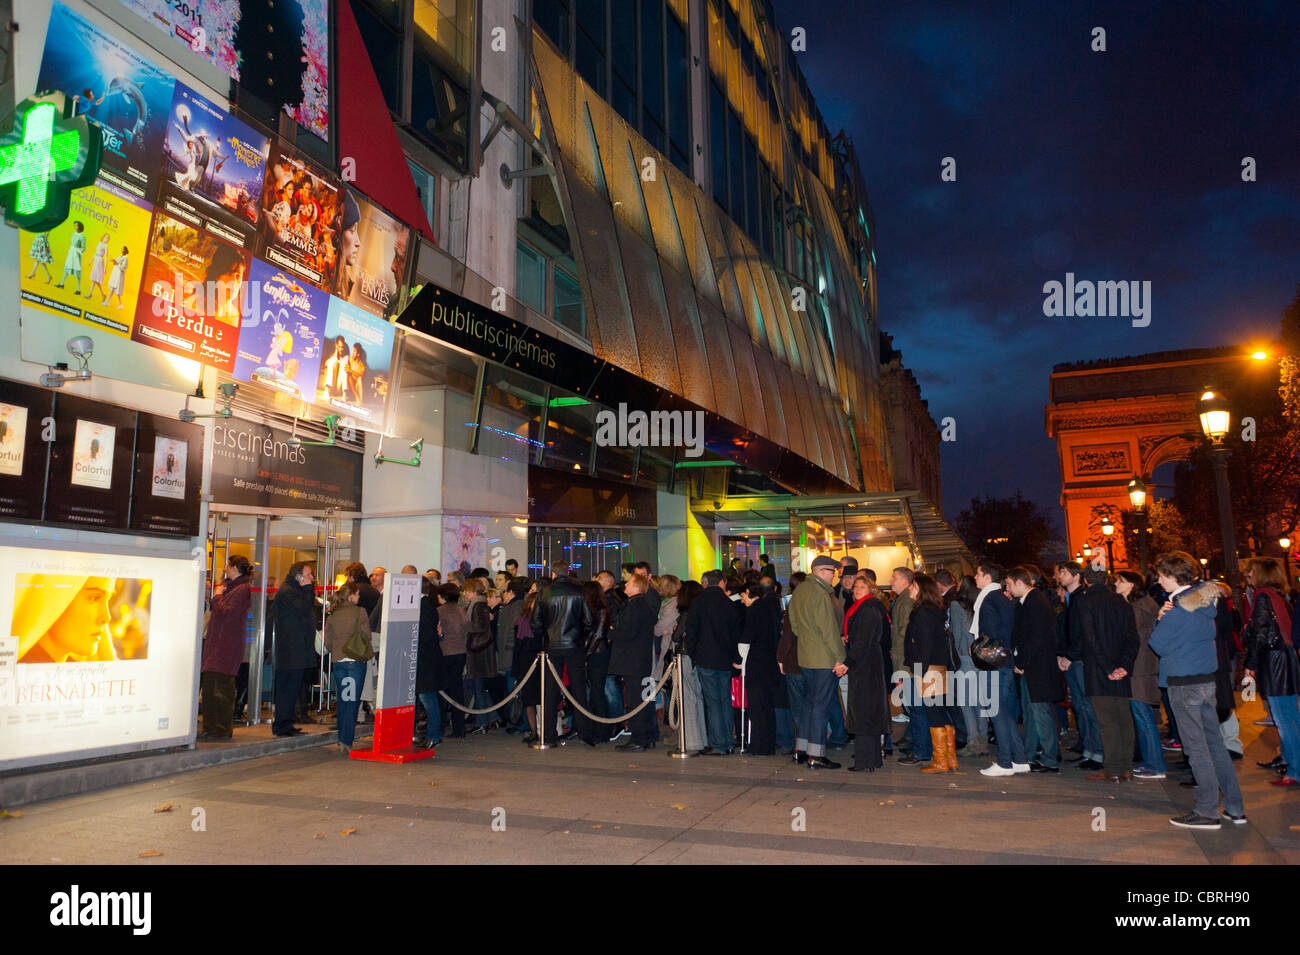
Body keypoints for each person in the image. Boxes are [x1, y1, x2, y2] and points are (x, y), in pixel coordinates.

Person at [1148, 551, 1246, 830]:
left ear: (1172, 576)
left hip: (1184, 683)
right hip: (1205, 681)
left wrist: (1161, 617)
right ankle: (1234, 807)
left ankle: (1206, 811)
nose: (1159, 580)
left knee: (1196, 749)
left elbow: (1158, 643)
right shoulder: (1202, 600)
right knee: (1215, 745)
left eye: (1161, 575)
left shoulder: (1180, 610)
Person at [1078, 566, 1139, 782]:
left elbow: (1090, 638)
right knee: (1124, 719)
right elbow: (1133, 637)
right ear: (1106, 579)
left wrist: (1107, 668)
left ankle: (1113, 769)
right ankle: (1127, 767)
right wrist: (1124, 665)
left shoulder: (1086, 602)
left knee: (1107, 721)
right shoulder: (1121, 602)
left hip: (1098, 670)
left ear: (1085, 580)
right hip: (1121, 669)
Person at [1242, 557, 1299, 786]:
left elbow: (1260, 634)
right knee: (1290, 717)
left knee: (1284, 720)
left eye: (1251, 572)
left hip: (1275, 663)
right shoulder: (1281, 597)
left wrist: (1250, 665)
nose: (1248, 576)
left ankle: (1294, 770)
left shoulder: (1263, 596)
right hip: (1287, 658)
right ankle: (1289, 761)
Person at [789, 555, 845, 768]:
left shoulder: (800, 591)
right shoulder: (821, 594)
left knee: (808, 704)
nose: (834, 576)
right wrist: (840, 657)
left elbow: (794, 626)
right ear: (822, 571)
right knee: (821, 706)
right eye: (833, 572)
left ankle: (800, 750)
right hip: (823, 658)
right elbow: (829, 630)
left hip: (805, 656)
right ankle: (816, 754)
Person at [530, 560, 593, 746]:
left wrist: (545, 636)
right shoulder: (578, 592)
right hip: (574, 646)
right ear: (568, 572)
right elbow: (588, 621)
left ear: (553, 573)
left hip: (552, 646)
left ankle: (548, 734)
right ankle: (584, 732)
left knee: (550, 691)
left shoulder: (544, 593)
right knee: (579, 690)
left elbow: (535, 622)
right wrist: (579, 637)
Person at [1007, 566, 1063, 772]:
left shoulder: (1035, 603)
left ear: (1020, 583)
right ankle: (1030, 755)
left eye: (1010, 584)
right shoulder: (1030, 601)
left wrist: (1021, 662)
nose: (1008, 588)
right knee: (1031, 713)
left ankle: (1049, 758)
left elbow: (1035, 638)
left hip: (1036, 668)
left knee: (1039, 713)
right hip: (1033, 667)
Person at [975, 563, 1027, 776]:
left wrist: (980, 651)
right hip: (1005, 663)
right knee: (1005, 712)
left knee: (998, 712)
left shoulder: (989, 599)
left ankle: (1005, 762)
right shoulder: (1002, 598)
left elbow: (991, 635)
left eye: (978, 574)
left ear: (987, 577)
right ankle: (1020, 759)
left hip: (995, 663)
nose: (975, 577)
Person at [685, 569, 743, 755]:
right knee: (725, 699)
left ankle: (718, 743)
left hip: (706, 658)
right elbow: (736, 633)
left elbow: (691, 632)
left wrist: (694, 655)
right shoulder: (729, 603)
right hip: (725, 659)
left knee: (712, 701)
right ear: (722, 583)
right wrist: (735, 657)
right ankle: (728, 740)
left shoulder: (698, 603)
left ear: (704, 583)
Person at [1116, 570, 1166, 780]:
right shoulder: (1142, 606)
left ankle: (1155, 765)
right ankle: (1151, 762)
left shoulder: (1137, 610)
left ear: (1132, 586)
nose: (1116, 584)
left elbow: (1131, 641)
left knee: (1143, 718)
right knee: (1143, 717)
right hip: (1141, 669)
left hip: (1139, 671)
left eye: (1121, 581)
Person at [904, 574, 956, 773]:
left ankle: (941, 761)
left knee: (934, 714)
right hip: (939, 667)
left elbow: (924, 644)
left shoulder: (922, 613)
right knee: (940, 713)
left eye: (913, 586)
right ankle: (949, 759)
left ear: (921, 589)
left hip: (928, 669)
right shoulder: (936, 611)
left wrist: (919, 670)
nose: (910, 589)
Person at [1056, 561, 1105, 769]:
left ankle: (1097, 753)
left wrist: (1069, 655)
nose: (1060, 576)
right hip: (1071, 659)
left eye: (1064, 572)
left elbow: (1082, 633)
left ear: (1077, 576)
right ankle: (1088, 750)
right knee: (1080, 707)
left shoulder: (1080, 600)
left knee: (1087, 707)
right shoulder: (1070, 599)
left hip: (1078, 661)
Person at [198, 556, 253, 741]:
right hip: (217, 644)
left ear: (235, 568)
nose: (225, 569)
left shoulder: (242, 589)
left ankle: (221, 729)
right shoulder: (232, 587)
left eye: (228, 566)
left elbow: (228, 612)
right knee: (210, 687)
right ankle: (210, 727)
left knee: (221, 688)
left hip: (226, 646)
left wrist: (218, 596)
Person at [840, 573, 889, 771]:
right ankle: (873, 759)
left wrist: (846, 663)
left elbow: (863, 642)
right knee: (869, 710)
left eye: (862, 587)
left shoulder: (867, 609)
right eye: (856, 587)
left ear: (871, 589)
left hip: (865, 665)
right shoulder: (868, 607)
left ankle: (864, 762)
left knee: (863, 711)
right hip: (869, 662)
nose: (857, 590)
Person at [608, 574, 659, 751]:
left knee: (635, 699)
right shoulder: (644, 605)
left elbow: (628, 633)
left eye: (629, 583)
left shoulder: (634, 606)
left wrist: (612, 632)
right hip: (640, 659)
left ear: (636, 587)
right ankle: (646, 736)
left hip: (632, 660)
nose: (625, 585)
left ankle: (638, 739)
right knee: (641, 699)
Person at [324, 581, 372, 753]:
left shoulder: (333, 615)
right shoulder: (360, 612)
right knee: (352, 702)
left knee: (344, 701)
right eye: (357, 594)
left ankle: (342, 738)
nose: (359, 597)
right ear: (351, 596)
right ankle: (346, 740)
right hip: (354, 662)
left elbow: (328, 643)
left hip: (338, 663)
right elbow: (366, 636)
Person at [269, 562, 316, 737]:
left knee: (291, 687)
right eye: (309, 574)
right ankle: (282, 725)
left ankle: (285, 723)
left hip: (296, 650)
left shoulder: (293, 590)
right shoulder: (289, 591)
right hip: (291, 651)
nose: (312, 578)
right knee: (287, 688)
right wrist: (308, 589)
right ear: (298, 576)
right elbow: (303, 608)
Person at [740, 580, 781, 755]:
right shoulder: (768, 608)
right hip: (769, 663)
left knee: (757, 707)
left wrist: (738, 659)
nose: (742, 600)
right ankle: (767, 744)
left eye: (743, 596)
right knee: (766, 706)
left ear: (749, 592)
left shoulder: (755, 611)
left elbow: (748, 636)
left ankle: (759, 745)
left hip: (757, 663)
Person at [947, 575, 987, 757]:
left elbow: (957, 634)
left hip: (965, 657)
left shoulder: (956, 606)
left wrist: (958, 657)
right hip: (980, 657)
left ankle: (973, 741)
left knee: (965, 702)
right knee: (980, 702)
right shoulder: (980, 602)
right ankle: (983, 740)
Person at [888, 566, 919, 761]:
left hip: (904, 663)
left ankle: (918, 743)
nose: (891, 580)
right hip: (903, 660)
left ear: (905, 581)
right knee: (911, 704)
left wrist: (900, 668)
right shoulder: (901, 600)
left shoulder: (905, 601)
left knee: (912, 704)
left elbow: (904, 635)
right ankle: (914, 739)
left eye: (894, 577)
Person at [462, 577, 498, 733]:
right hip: (481, 653)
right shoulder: (480, 604)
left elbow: (478, 628)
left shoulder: (477, 606)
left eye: (466, 591)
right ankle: (492, 718)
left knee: (477, 688)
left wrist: (464, 626)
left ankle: (482, 722)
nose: (464, 594)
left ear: (471, 591)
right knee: (478, 687)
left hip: (477, 653)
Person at [436, 582, 469, 739]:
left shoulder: (439, 611)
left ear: (442, 596)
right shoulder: (462, 610)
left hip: (445, 653)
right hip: (461, 652)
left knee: (441, 692)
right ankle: (459, 728)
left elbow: (438, 633)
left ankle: (439, 727)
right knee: (457, 691)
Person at [414, 576, 443, 749]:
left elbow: (425, 636)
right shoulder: (426, 606)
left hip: (425, 660)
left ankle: (434, 735)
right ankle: (431, 734)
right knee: (426, 698)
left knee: (428, 699)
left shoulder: (424, 607)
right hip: (426, 659)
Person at [55, 221, 86, 293]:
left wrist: (78, 252)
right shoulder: (74, 234)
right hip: (71, 253)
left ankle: (79, 289)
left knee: (77, 271)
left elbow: (83, 248)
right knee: (67, 268)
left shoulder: (82, 236)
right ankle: (62, 284)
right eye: (75, 225)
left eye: (77, 226)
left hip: (76, 255)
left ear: (80, 227)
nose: (75, 227)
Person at [84, 234, 109, 300]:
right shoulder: (99, 243)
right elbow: (96, 253)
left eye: (108, 238)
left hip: (100, 261)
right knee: (95, 280)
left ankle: (89, 294)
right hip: (96, 260)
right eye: (106, 237)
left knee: (95, 280)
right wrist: (91, 260)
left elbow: (106, 257)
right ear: (103, 237)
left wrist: (105, 268)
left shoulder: (106, 246)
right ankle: (103, 295)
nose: (107, 239)